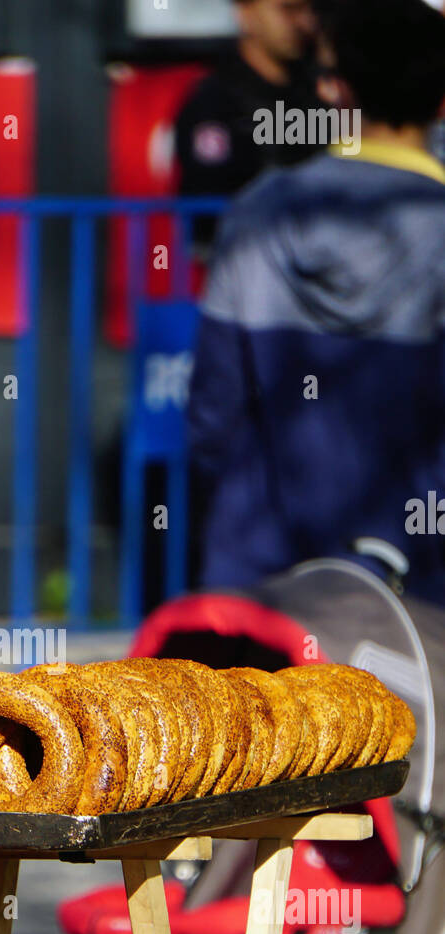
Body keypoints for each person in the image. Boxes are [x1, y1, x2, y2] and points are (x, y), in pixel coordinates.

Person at [187, 0, 445, 602]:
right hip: (411, 577)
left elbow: (213, 408)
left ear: (339, 92)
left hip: (256, 559)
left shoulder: (259, 208)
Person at [175, 0, 320, 201]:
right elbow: (207, 203)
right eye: (289, 9)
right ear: (245, 14)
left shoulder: (323, 92)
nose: (306, 21)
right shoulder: (214, 102)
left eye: (309, 9)